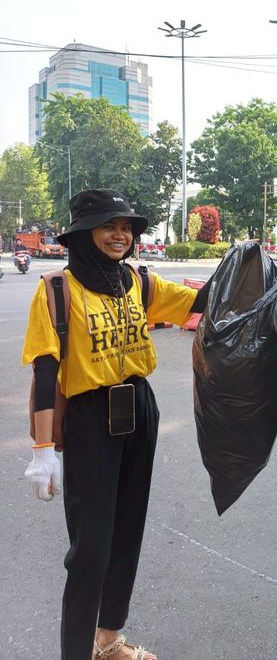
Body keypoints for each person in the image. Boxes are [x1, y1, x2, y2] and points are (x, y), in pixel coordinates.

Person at [22, 188, 210, 660]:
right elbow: (46, 370)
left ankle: (108, 642)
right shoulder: (58, 291)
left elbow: (200, 301)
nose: (119, 234)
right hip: (90, 419)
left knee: (128, 531)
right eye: (108, 226)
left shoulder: (138, 283)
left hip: (139, 410)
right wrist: (43, 449)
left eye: (126, 227)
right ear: (84, 234)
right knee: (90, 549)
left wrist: (249, 267)